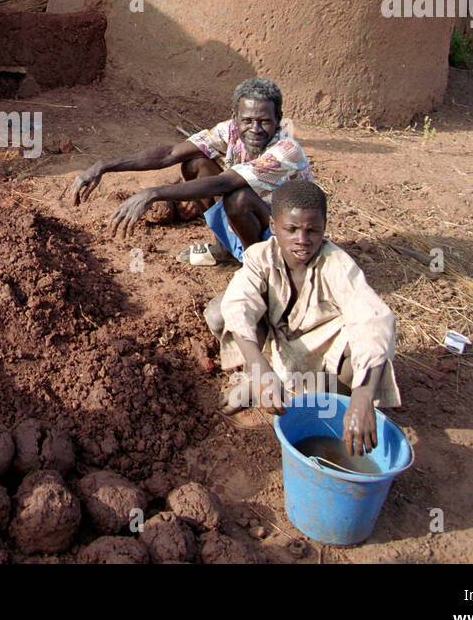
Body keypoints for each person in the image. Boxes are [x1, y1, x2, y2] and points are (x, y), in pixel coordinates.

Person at [206, 179, 400, 456]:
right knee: (221, 313)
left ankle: (333, 405)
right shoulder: (260, 257)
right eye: (292, 229)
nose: (302, 239)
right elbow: (239, 305)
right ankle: (256, 378)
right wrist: (260, 371)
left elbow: (374, 319)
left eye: (312, 231)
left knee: (362, 357)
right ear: (273, 227)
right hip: (279, 342)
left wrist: (363, 398)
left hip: (324, 350)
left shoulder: (337, 264)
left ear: (324, 229)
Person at [69, 77, 313, 263]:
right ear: (235, 118)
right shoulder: (229, 130)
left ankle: (259, 270)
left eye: (265, 121)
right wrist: (104, 166)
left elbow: (224, 184)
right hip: (252, 217)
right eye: (247, 120)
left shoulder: (286, 151)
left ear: (279, 118)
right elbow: (170, 154)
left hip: (285, 237)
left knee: (238, 199)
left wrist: (153, 193)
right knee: (195, 165)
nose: (255, 129)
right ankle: (225, 250)